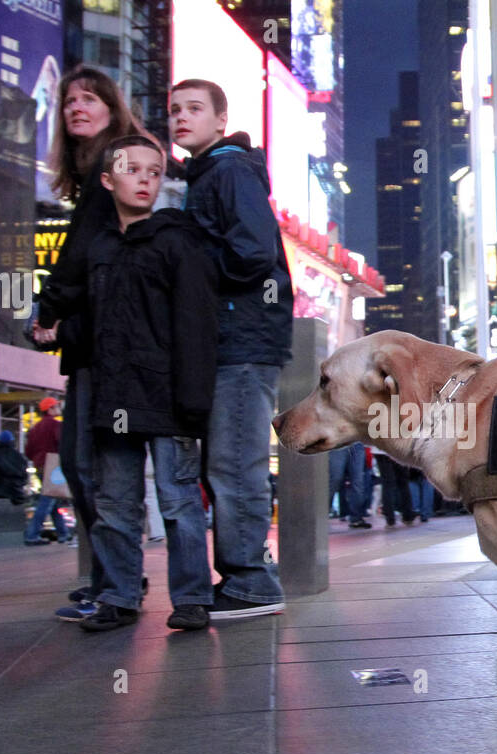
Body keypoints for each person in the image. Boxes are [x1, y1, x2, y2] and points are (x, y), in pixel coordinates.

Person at [80, 134, 218, 632]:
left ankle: (192, 599)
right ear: (107, 179)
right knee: (114, 502)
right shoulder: (99, 246)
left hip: (167, 396)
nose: (144, 179)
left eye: (154, 172)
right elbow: (91, 319)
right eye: (132, 169)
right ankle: (118, 595)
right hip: (113, 397)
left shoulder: (177, 241)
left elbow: (197, 326)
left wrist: (195, 400)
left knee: (179, 500)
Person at [172, 79, 292, 620]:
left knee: (234, 462)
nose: (181, 118)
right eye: (174, 110)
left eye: (194, 109)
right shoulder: (208, 173)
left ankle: (250, 580)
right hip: (229, 338)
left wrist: (192, 270)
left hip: (242, 339)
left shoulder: (229, 170)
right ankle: (244, 573)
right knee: (227, 461)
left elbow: (253, 251)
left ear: (221, 120)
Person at [32, 65, 147, 621]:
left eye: (90, 98)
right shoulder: (89, 181)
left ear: (111, 108)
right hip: (91, 343)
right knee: (83, 467)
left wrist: (52, 312)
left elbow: (88, 264)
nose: (76, 106)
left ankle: (118, 585)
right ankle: (112, 579)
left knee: (96, 468)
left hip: (107, 345)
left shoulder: (115, 171)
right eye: (69, 100)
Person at [23, 396, 70, 545]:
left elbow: (28, 451)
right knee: (47, 501)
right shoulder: (56, 425)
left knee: (52, 499)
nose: (58, 408)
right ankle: (32, 535)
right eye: (56, 406)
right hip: (53, 465)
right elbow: (62, 444)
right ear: (49, 409)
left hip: (39, 466)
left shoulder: (35, 428)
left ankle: (63, 533)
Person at [328, 441, 370, 528]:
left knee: (358, 482)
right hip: (338, 442)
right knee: (335, 479)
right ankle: (321, 516)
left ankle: (356, 518)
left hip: (356, 443)